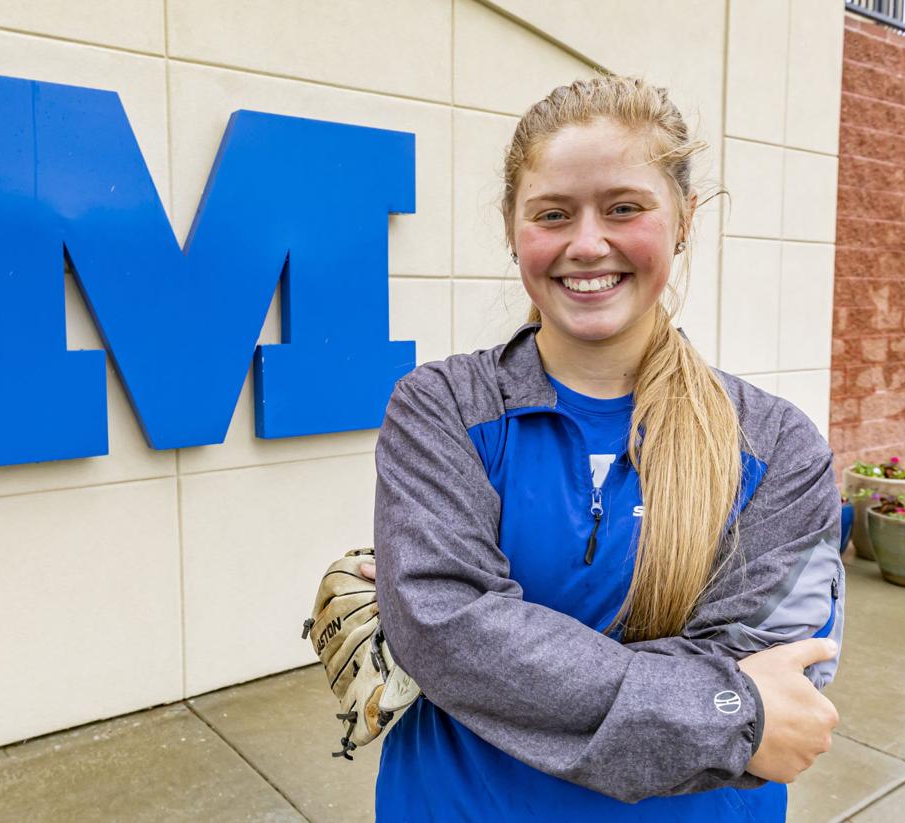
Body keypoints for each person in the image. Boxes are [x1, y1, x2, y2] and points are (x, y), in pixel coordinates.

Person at [360, 75, 845, 821]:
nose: (588, 244)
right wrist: (730, 714)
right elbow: (446, 628)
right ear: (514, 228)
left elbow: (784, 676)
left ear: (683, 219)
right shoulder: (442, 407)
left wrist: (493, 655)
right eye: (553, 214)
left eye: (624, 207)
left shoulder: (778, 448)